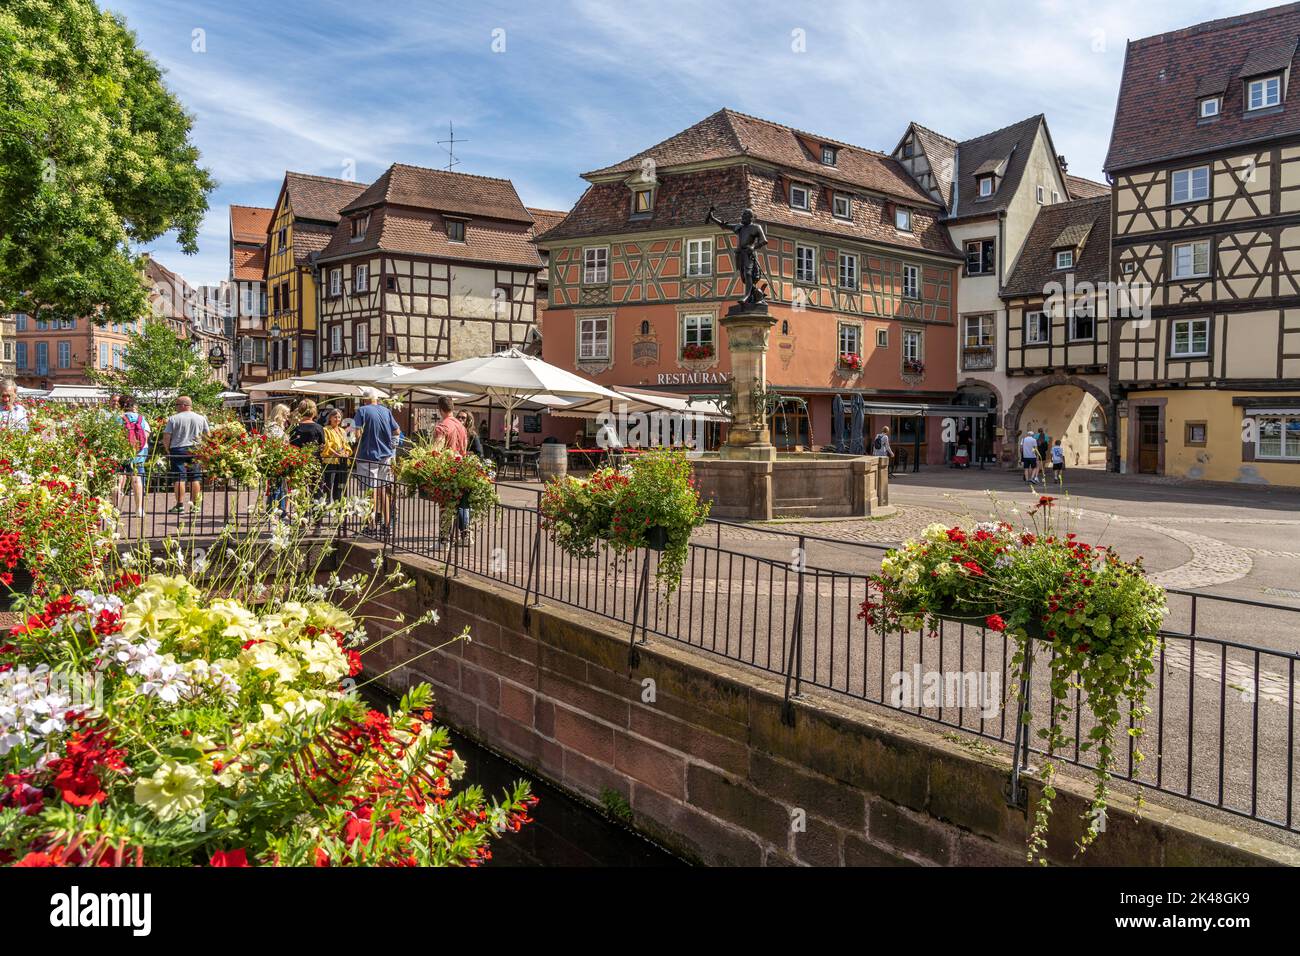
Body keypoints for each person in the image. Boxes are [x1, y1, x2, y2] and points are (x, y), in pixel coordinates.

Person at [352, 387, 401, 532]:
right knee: (382, 489)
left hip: (368, 456)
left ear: (365, 400)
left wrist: (357, 443)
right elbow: (397, 431)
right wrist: (392, 446)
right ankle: (387, 525)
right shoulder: (386, 411)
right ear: (376, 399)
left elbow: (357, 434)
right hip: (385, 455)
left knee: (370, 490)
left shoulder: (362, 411)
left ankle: (371, 525)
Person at [162, 396, 210, 514]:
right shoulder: (200, 418)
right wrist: (204, 448)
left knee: (179, 478)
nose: (176, 407)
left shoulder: (173, 418)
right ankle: (194, 506)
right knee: (195, 478)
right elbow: (207, 435)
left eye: (177, 405)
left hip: (178, 450)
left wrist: (167, 449)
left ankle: (180, 505)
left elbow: (167, 435)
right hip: (196, 449)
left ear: (183, 405)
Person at [116, 395, 151, 518]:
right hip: (139, 451)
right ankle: (139, 509)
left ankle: (116, 508)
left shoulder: (118, 418)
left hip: (121, 452)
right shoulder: (141, 418)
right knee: (137, 478)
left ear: (120, 406)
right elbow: (146, 435)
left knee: (119, 478)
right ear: (134, 406)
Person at [321, 408, 351, 503]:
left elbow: (346, 444)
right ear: (330, 418)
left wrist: (347, 452)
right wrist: (336, 454)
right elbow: (326, 445)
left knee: (340, 484)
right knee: (328, 483)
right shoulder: (326, 429)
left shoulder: (342, 431)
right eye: (335, 417)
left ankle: (338, 503)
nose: (337, 419)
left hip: (342, 460)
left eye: (339, 417)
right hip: (330, 460)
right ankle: (326, 503)